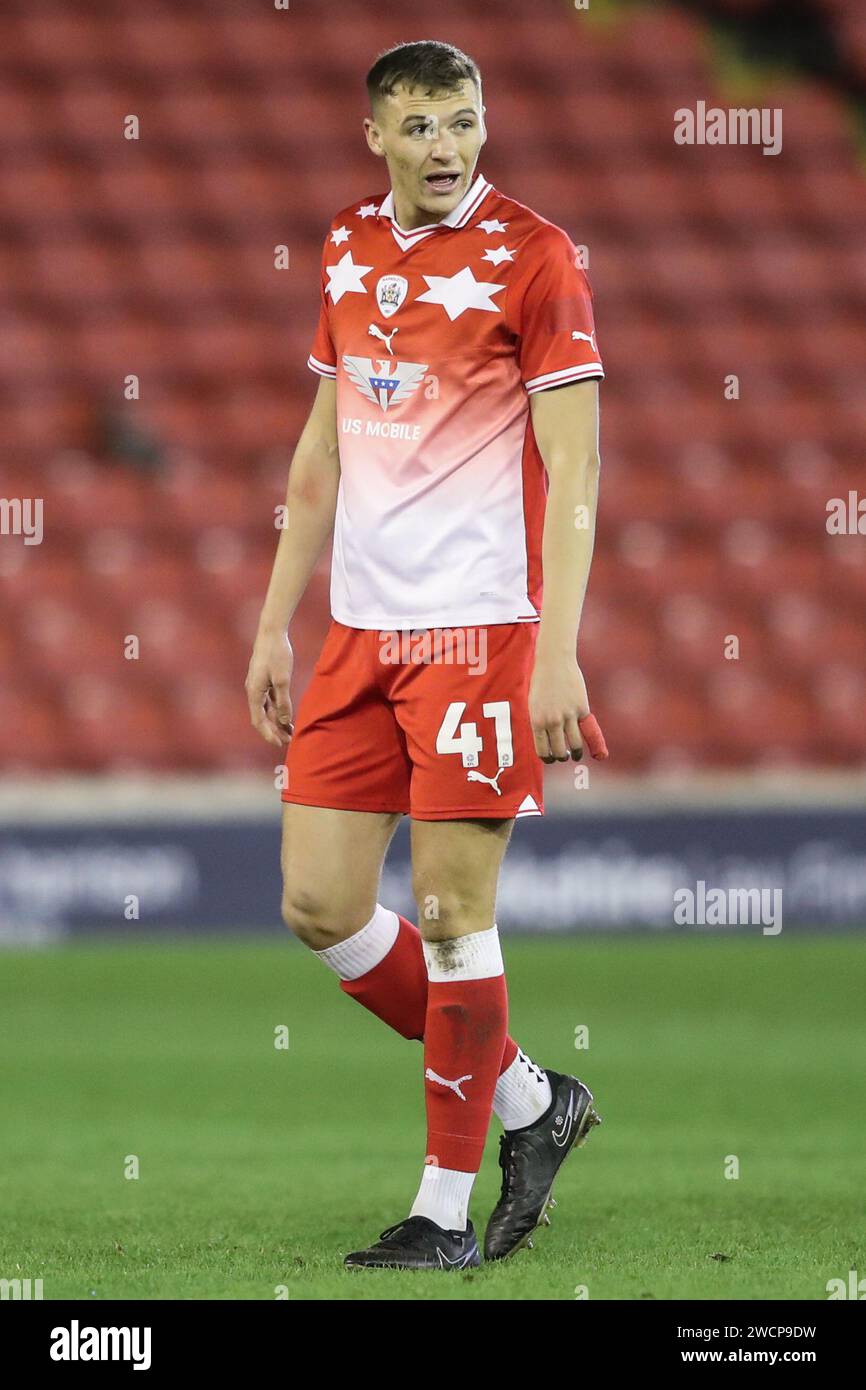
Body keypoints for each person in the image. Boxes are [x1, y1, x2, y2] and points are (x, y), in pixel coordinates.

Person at [247, 39, 606, 1271]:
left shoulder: (535, 256)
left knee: (454, 920)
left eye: (462, 122)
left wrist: (554, 651)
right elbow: (320, 452)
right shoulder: (347, 247)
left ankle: (442, 1215)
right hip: (358, 629)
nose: (446, 147)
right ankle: (527, 1101)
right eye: (419, 127)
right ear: (376, 138)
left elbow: (576, 468)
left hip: (478, 632)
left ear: (483, 122)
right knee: (320, 907)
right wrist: (272, 617)